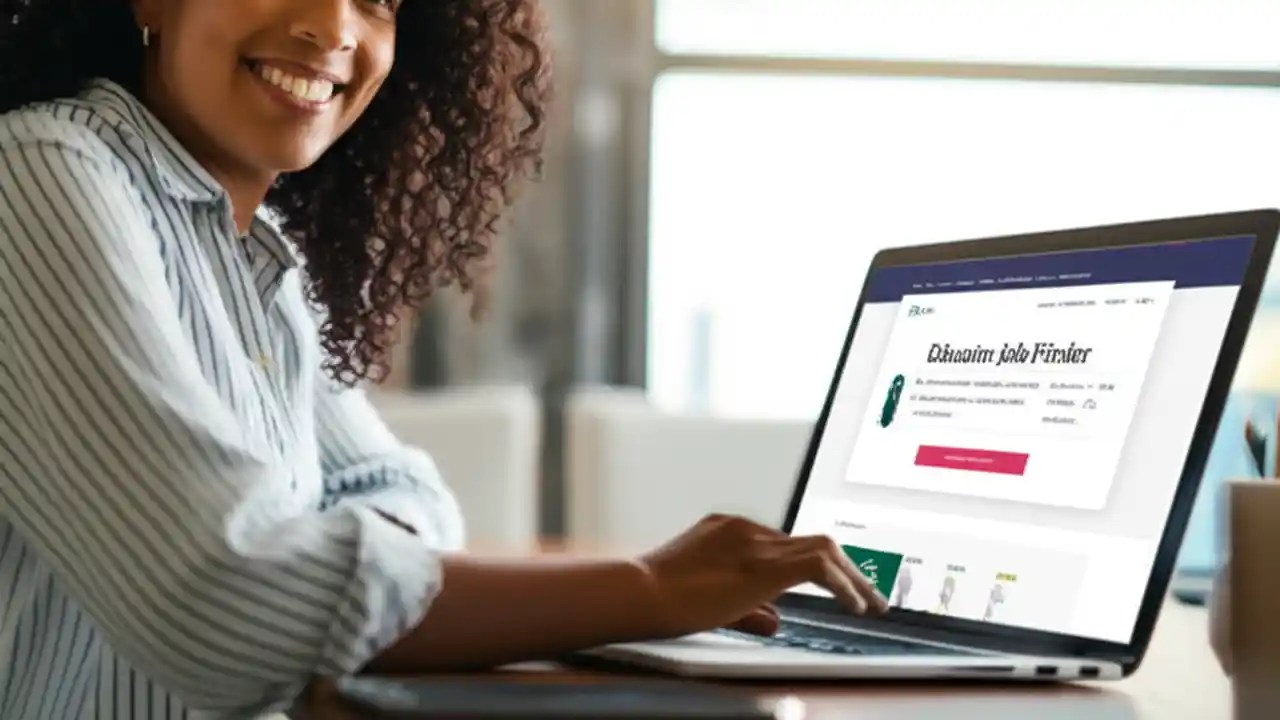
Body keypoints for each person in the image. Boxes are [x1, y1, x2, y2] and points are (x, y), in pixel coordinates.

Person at [0, 1, 887, 717]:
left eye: (377, 0)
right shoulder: (46, 169)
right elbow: (225, 600)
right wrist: (648, 587)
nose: (333, 28)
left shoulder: (248, 248)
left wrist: (324, 571)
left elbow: (405, 498)